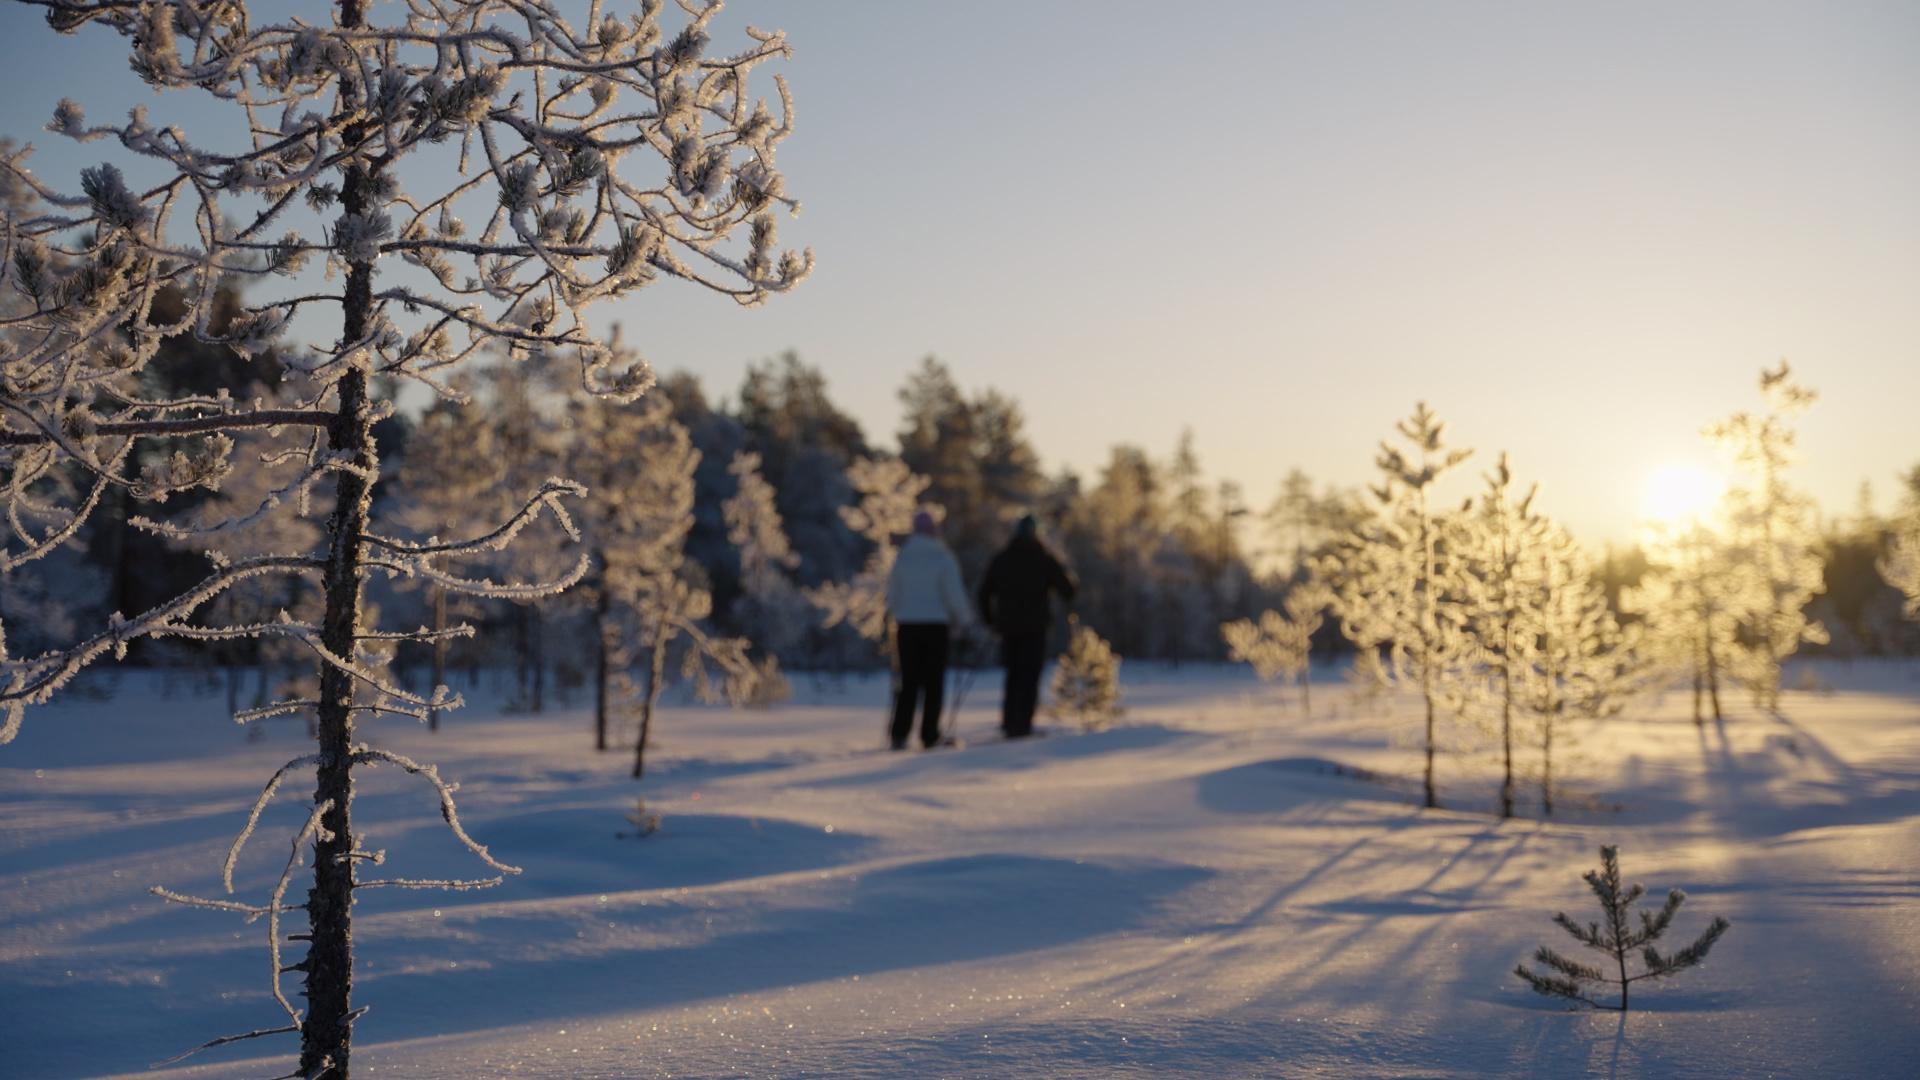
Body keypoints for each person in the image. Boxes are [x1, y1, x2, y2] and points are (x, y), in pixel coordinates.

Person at [977, 514, 1076, 738]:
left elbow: (984, 592)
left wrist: (990, 621)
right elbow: (1068, 590)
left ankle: (1010, 722)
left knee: (1013, 674)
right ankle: (1023, 725)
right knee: (1030, 675)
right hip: (1035, 627)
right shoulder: (1044, 558)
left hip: (1008, 628)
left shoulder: (1002, 559)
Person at [884, 509, 973, 749]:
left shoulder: (903, 557)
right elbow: (953, 594)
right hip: (935, 626)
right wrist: (964, 620)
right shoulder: (942, 557)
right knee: (934, 682)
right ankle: (929, 734)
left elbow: (892, 595)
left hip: (907, 627)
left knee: (908, 681)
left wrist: (893, 615)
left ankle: (899, 733)